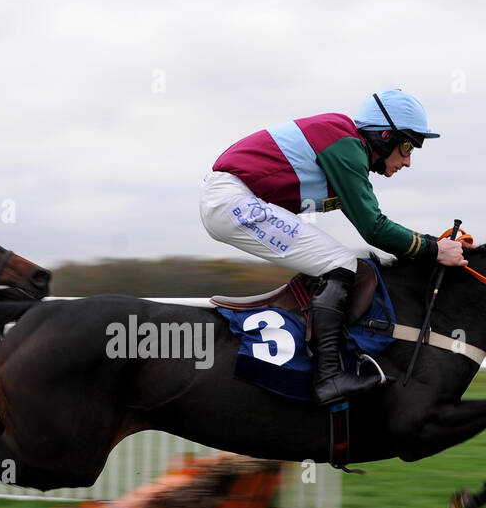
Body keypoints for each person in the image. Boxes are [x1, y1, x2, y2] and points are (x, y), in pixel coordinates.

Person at [201, 90, 471, 405]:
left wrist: (432, 246)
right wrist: (434, 250)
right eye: (408, 146)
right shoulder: (347, 147)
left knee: (335, 262)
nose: (408, 161)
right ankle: (329, 376)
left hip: (230, 198)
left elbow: (375, 225)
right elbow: (375, 229)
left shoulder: (346, 150)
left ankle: (321, 360)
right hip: (232, 199)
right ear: (384, 137)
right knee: (342, 263)